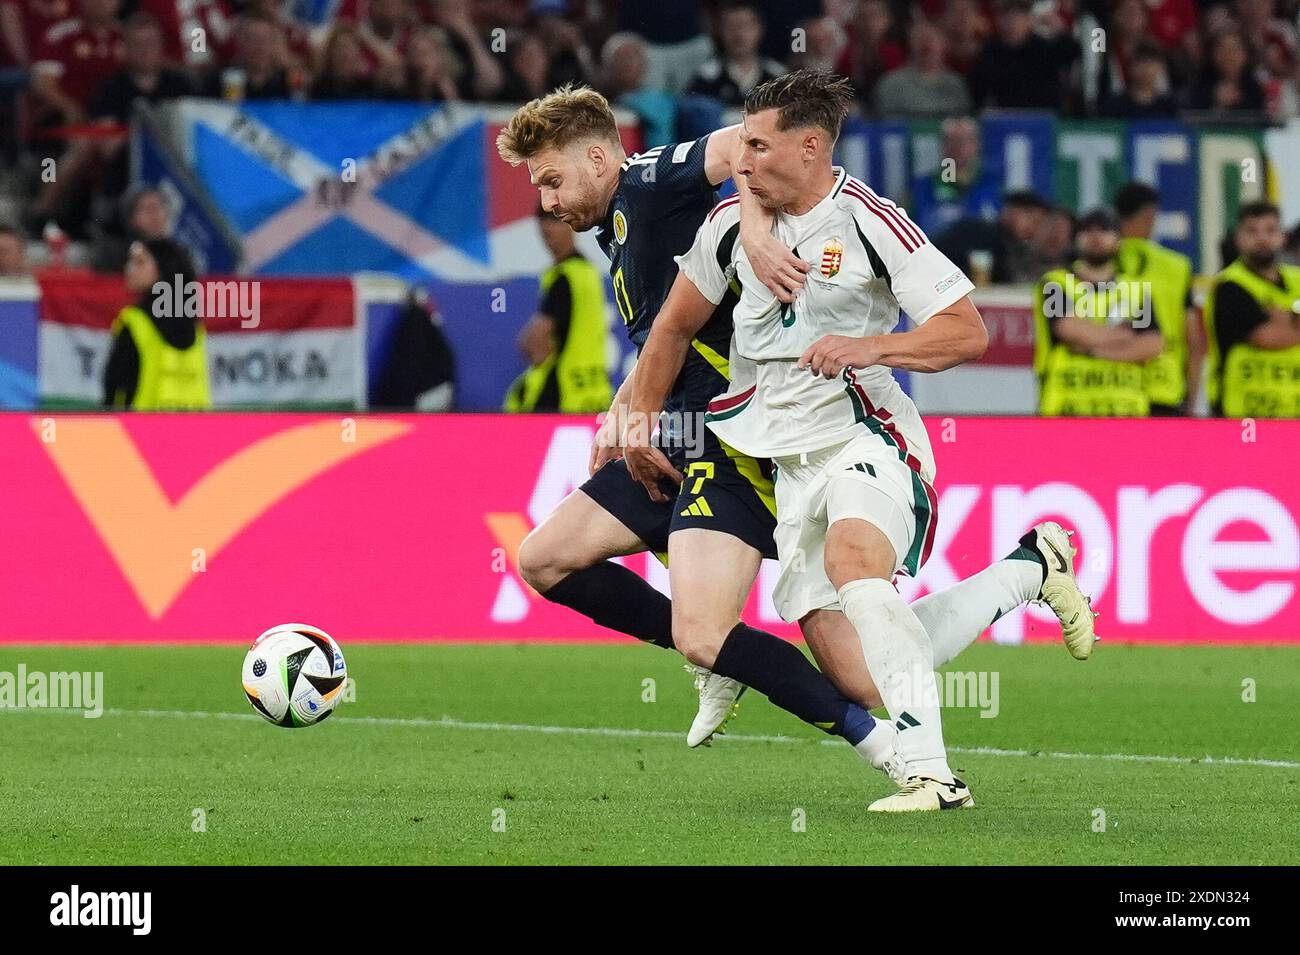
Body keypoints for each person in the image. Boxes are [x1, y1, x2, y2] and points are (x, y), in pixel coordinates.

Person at [498, 79, 1094, 808]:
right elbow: (670, 329)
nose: (548, 202)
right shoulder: (686, 228)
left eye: (552, 181)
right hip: (737, 431)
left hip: (841, 431)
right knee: (853, 670)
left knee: (849, 580)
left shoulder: (669, 184)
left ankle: (925, 767)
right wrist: (628, 416)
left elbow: (964, 330)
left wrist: (863, 342)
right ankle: (1024, 572)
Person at [1032, 207, 1165, 416]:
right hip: (1067, 409)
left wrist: (1092, 351)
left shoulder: (1135, 289)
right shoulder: (1055, 283)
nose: (1095, 237)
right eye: (1087, 231)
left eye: (1104, 230)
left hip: (1126, 411)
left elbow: (1152, 344)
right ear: (1076, 239)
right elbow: (1068, 328)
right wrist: (1125, 337)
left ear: (1119, 240)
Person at [505, 205, 612, 413]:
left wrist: (534, 353)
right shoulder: (589, 274)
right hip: (594, 393)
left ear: (570, 225)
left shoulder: (564, 278)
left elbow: (536, 338)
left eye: (554, 222)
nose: (549, 232)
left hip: (561, 395)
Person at [1203, 201, 1300, 418]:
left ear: (1282, 236)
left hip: (1293, 412)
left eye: (1270, 230)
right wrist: (1293, 318)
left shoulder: (1297, 279)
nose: (1262, 238)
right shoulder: (1230, 286)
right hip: (1242, 411)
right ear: (1238, 238)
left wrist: (1287, 320)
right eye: (1252, 231)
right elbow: (1266, 337)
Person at [1114, 181, 1201, 414]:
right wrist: (1190, 404)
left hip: (1113, 389)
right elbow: (1194, 342)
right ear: (1150, 216)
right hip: (1165, 388)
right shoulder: (1176, 267)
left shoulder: (1095, 264)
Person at [103, 238, 211, 410]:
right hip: (196, 432)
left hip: (140, 432)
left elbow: (114, 390)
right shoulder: (197, 329)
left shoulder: (134, 322)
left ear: (163, 268)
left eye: (140, 263)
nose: (129, 269)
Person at [685, 4, 785, 108]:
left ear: (759, 29)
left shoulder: (777, 76)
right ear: (719, 31)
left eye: (745, 26)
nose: (739, 35)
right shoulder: (707, 77)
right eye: (731, 27)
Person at [873, 17, 971, 118]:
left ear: (944, 45)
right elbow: (886, 123)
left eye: (932, 40)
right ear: (910, 44)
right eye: (920, 39)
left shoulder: (955, 84)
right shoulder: (891, 83)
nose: (926, 45)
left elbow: (963, 120)